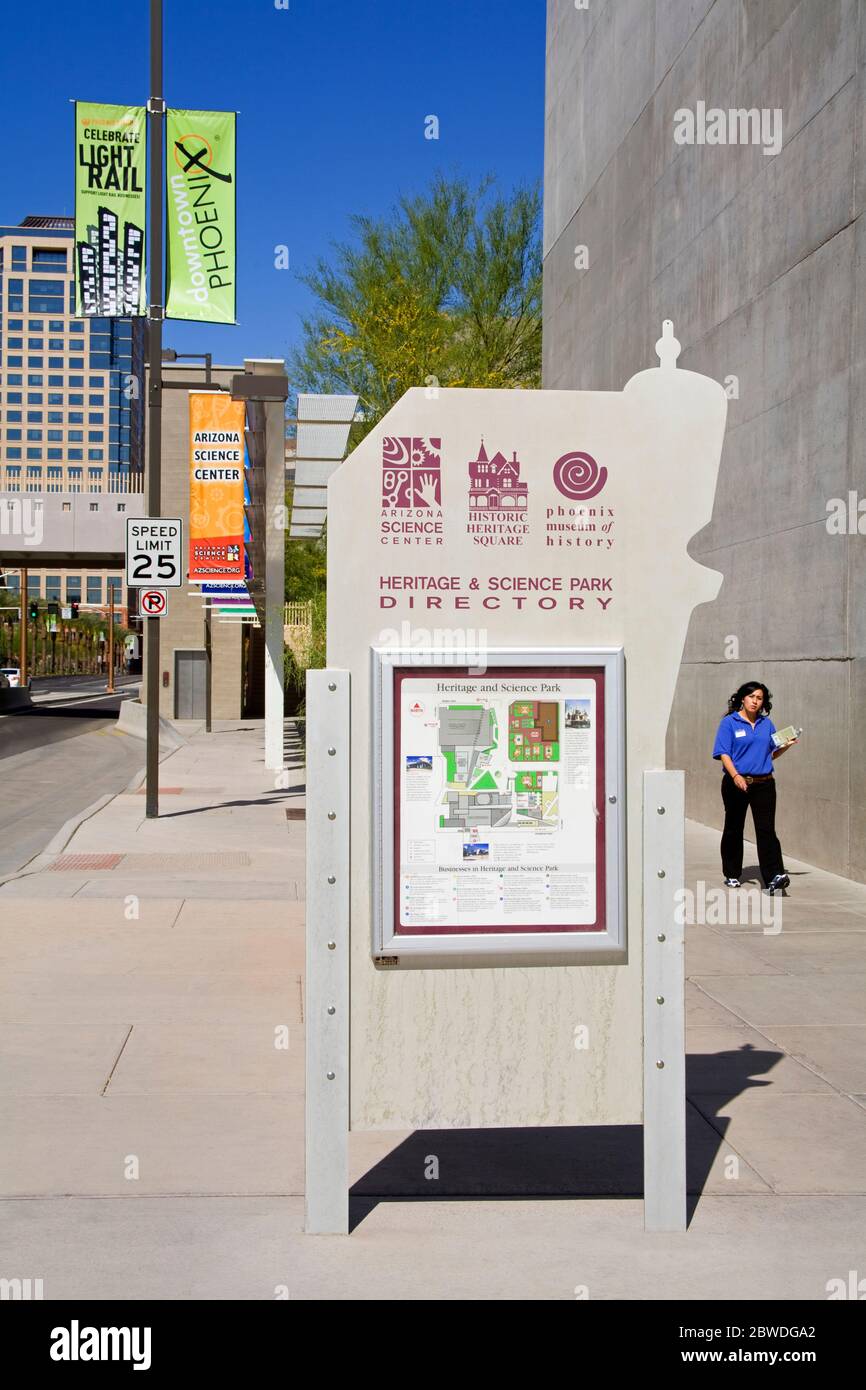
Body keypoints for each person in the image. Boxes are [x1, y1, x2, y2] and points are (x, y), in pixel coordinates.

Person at [712, 681, 797, 893]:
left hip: (764, 783)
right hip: (736, 783)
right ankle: (731, 873)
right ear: (743, 698)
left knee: (766, 830)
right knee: (734, 827)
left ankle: (774, 875)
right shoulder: (729, 723)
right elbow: (724, 753)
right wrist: (735, 776)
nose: (755, 701)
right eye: (751, 697)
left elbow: (771, 753)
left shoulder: (766, 725)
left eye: (759, 698)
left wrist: (786, 746)